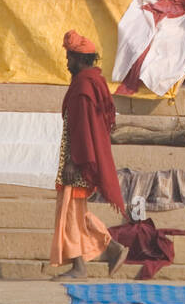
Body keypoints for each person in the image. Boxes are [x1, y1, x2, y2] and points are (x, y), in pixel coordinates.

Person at [51, 31, 129, 279]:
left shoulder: (84, 85)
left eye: (69, 57)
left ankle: (80, 266)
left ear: (80, 59)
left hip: (78, 162)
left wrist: (74, 161)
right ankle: (112, 248)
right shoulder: (90, 81)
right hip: (78, 158)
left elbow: (84, 127)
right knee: (76, 212)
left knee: (70, 213)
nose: (67, 63)